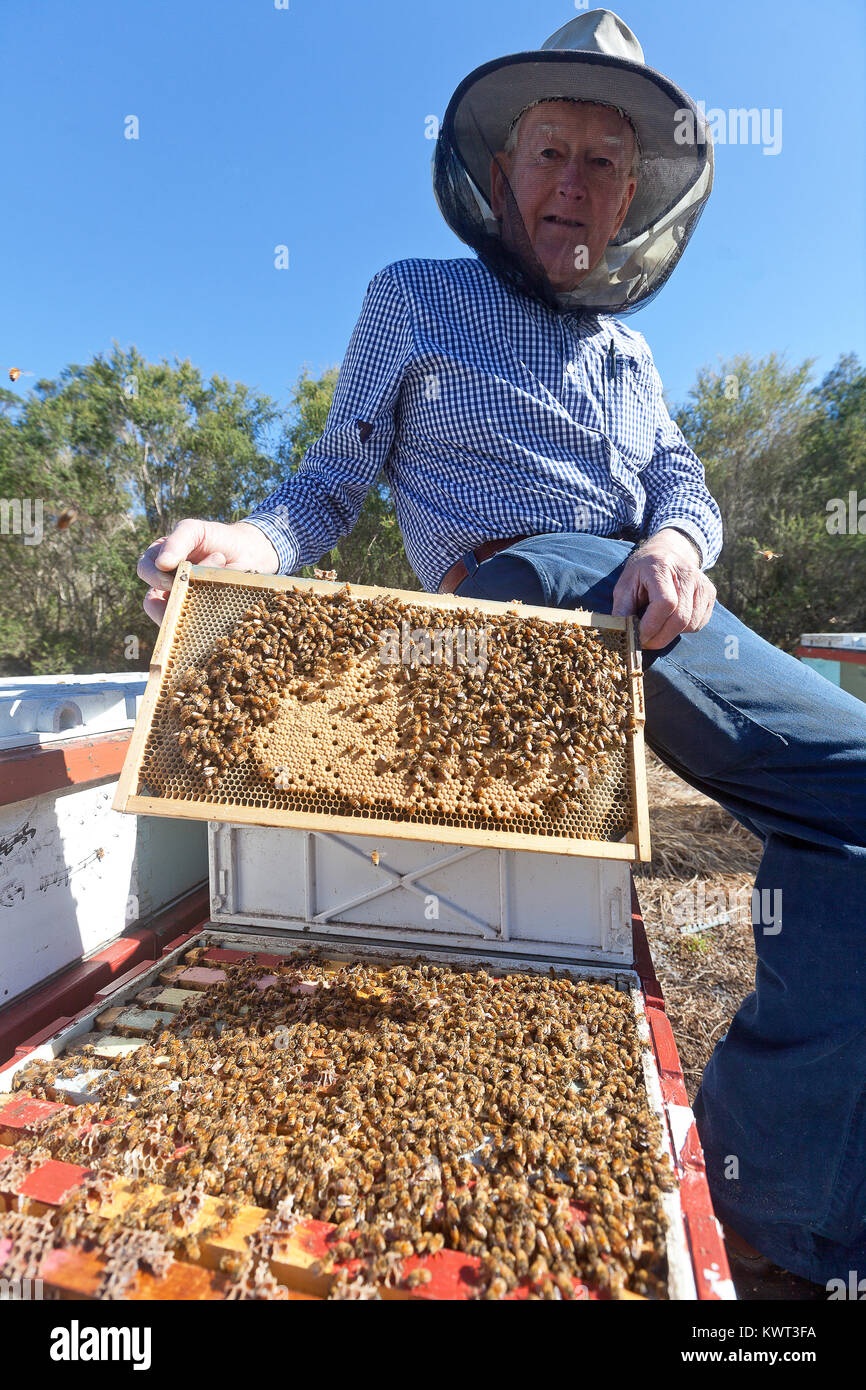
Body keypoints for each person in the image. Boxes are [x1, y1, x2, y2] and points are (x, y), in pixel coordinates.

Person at [138, 11, 866, 1291]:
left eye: (601, 161)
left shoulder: (630, 353)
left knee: (851, 820)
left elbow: (679, 482)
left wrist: (679, 548)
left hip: (628, 610)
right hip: (508, 588)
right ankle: (792, 1213)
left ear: (631, 194)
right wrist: (246, 542)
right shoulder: (412, 297)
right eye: (549, 152)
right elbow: (326, 479)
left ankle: (784, 1199)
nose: (572, 182)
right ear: (499, 171)